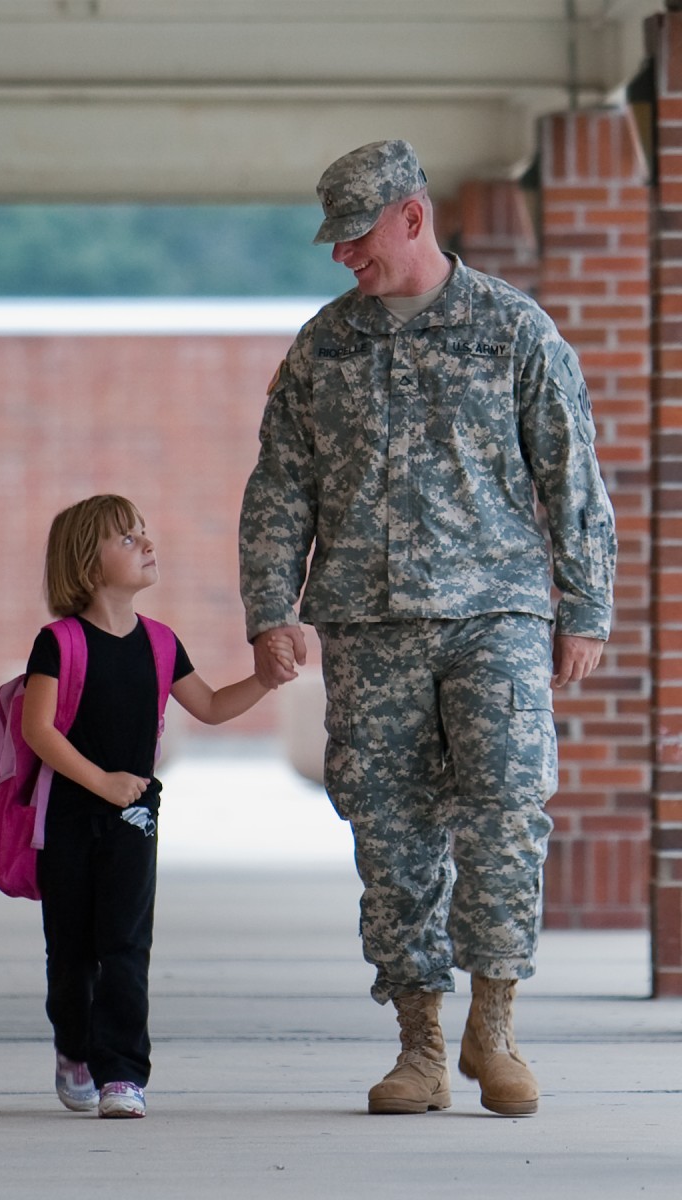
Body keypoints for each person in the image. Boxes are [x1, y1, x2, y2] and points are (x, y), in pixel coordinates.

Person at [239, 140, 616, 1117]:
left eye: (355, 235)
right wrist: (267, 608)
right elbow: (280, 482)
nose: (340, 257)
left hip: (494, 614)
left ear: (411, 217)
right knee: (390, 833)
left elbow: (569, 475)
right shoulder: (323, 346)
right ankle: (419, 1047)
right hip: (366, 624)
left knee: (505, 812)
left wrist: (585, 608)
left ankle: (495, 1031)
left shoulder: (513, 331)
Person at [21, 494, 294, 1119]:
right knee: (70, 951)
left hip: (134, 819)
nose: (148, 544)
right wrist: (102, 782)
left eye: (145, 533)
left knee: (125, 942)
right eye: (128, 539)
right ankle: (73, 1049)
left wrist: (264, 680)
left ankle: (122, 1073)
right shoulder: (58, 643)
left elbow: (212, 706)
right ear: (89, 566)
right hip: (66, 817)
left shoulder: (161, 643)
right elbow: (40, 730)